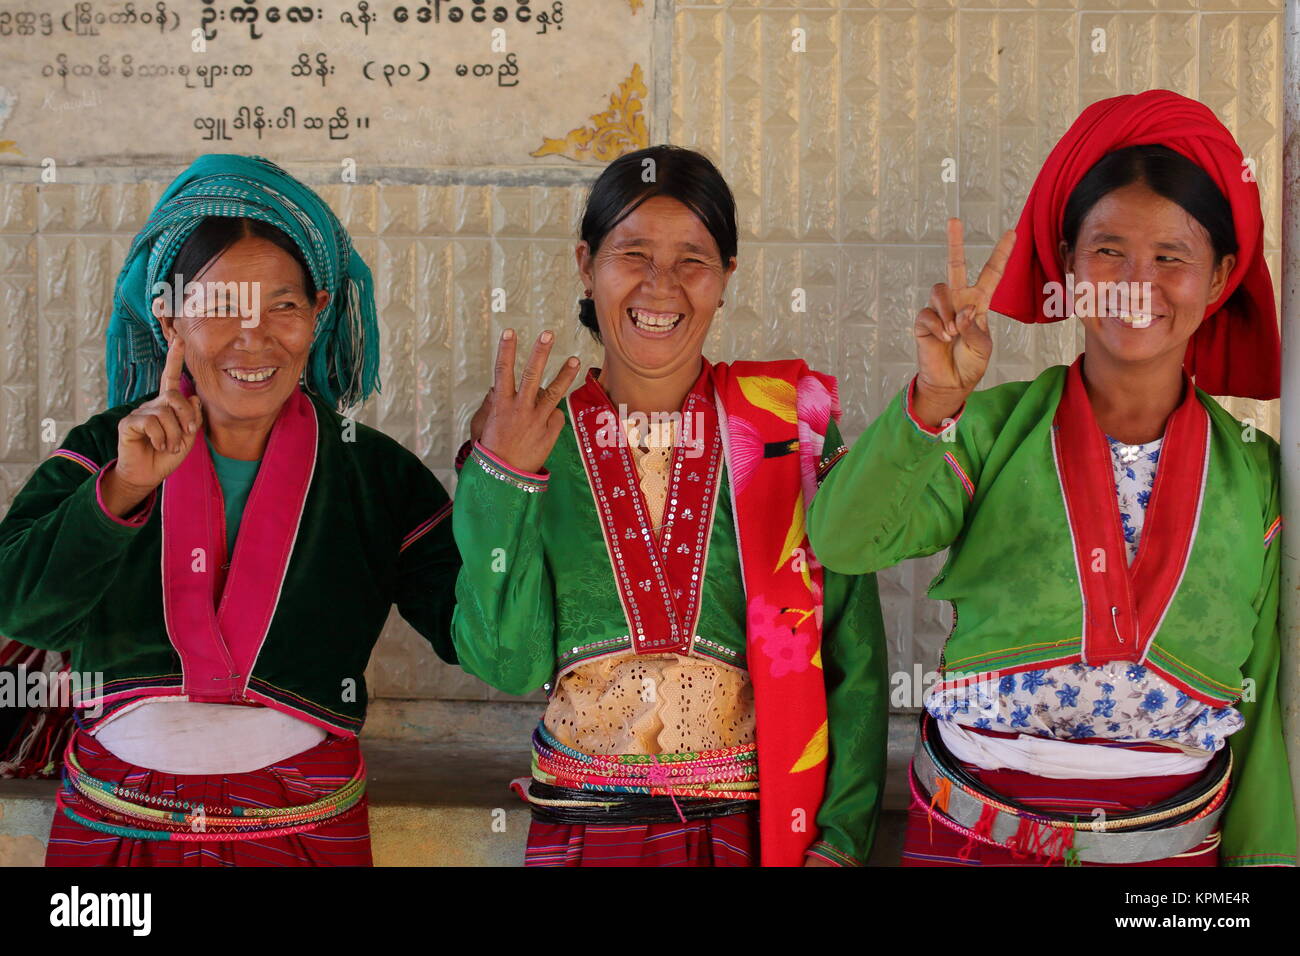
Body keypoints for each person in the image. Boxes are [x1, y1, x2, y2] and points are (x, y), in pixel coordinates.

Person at [808, 90, 1294, 867]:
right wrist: (935, 400)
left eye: (1172, 256)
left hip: (1171, 858)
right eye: (1108, 251)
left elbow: (1265, 702)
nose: (1138, 282)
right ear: (1067, 264)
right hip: (971, 838)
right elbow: (843, 540)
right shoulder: (988, 430)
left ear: (1221, 275)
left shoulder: (1257, 476)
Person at [0, 154, 461, 866]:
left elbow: (481, 641)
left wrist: (505, 478)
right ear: (169, 316)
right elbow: (17, 609)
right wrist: (120, 490)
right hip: (114, 834)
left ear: (319, 313)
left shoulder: (373, 474)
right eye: (218, 307)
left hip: (304, 832)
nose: (255, 338)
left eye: (283, 304)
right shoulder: (104, 447)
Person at [451, 145, 889, 866]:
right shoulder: (531, 435)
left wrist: (838, 842)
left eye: (693, 259)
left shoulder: (783, 431)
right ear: (586, 265)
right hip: (580, 830)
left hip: (748, 834)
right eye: (633, 254)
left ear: (726, 279)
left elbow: (855, 651)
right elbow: (506, 662)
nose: (662, 287)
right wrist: (505, 477)